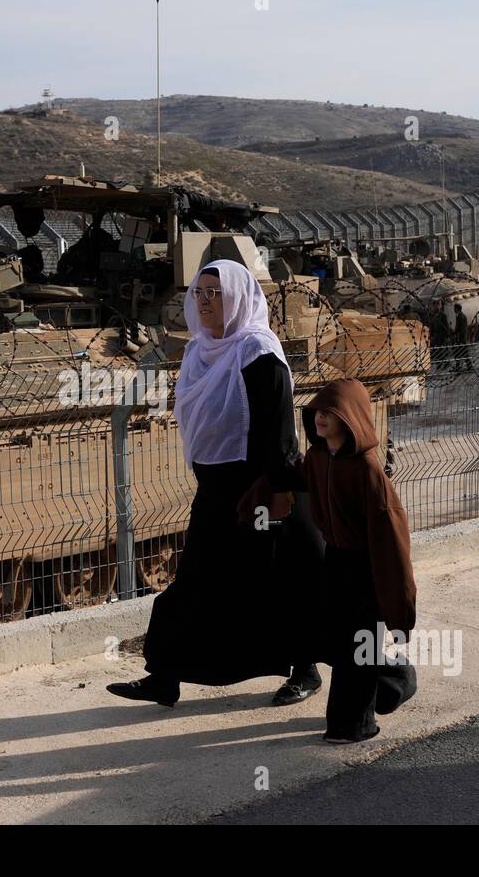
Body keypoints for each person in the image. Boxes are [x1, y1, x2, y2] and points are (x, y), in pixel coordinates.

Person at [106, 259, 326, 707]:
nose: (204, 302)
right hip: (216, 487)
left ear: (239, 298)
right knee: (193, 580)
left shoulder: (258, 352)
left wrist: (281, 491)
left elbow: (281, 428)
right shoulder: (197, 351)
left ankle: (305, 670)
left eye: (216, 293)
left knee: (283, 579)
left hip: (263, 487)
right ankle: (163, 677)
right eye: (199, 293)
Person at [300, 379, 418, 744]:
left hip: (365, 568)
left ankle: (352, 725)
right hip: (333, 561)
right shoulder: (318, 458)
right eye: (318, 411)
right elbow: (299, 482)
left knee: (358, 647)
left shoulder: (368, 469)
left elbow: (392, 540)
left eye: (330, 412)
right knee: (338, 643)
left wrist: (401, 603)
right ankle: (397, 681)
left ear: (349, 418)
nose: (320, 418)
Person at [452, 302, 474, 372]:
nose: (454, 310)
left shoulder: (460, 316)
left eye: (454, 308)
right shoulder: (460, 316)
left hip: (461, 339)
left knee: (460, 353)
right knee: (462, 353)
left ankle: (463, 367)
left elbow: (461, 329)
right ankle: (463, 366)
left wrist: (457, 337)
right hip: (461, 338)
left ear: (457, 309)